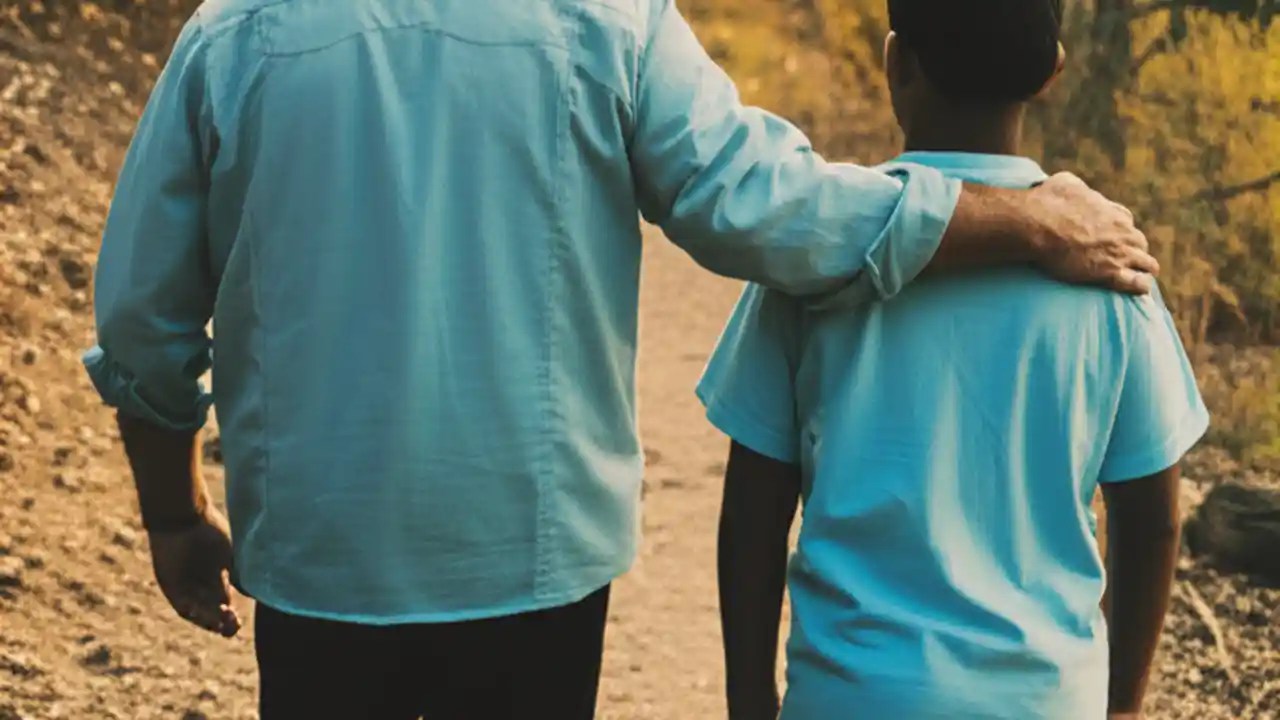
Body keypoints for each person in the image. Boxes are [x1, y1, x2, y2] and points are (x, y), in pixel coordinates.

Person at [86, 0, 1157, 717]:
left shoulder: (235, 32)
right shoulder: (605, 18)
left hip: (320, 558)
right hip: (532, 566)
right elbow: (763, 208)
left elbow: (142, 314)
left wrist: (173, 511)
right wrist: (1014, 221)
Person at [702, 1, 1208, 718]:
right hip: (1044, 700)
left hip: (852, 695)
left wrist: (749, 694)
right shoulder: (1111, 268)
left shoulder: (821, 260)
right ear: (1052, 73)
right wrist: (1121, 705)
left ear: (895, 62)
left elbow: (753, 507)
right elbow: (1153, 518)